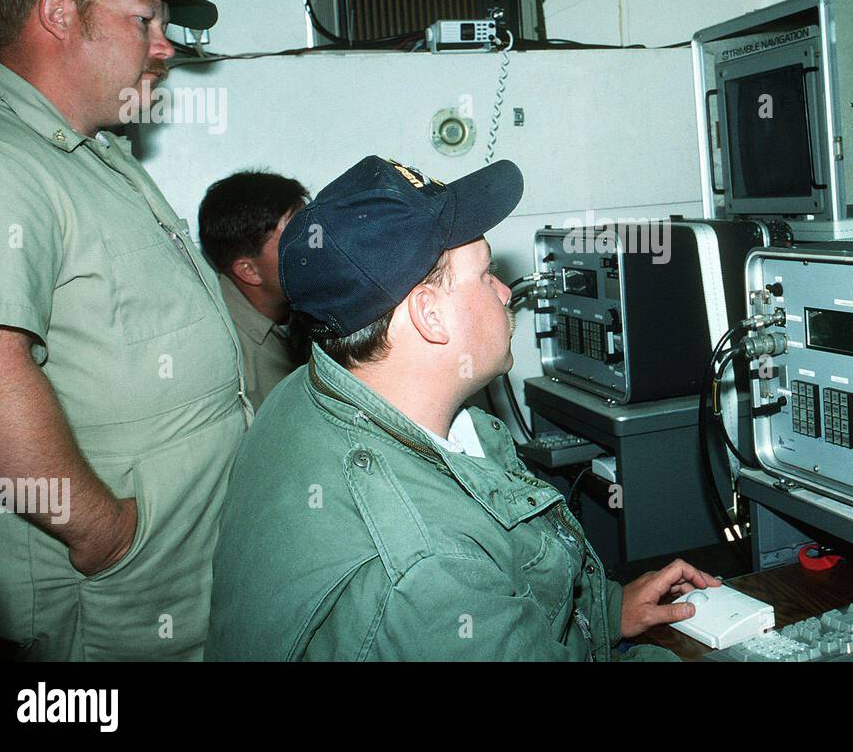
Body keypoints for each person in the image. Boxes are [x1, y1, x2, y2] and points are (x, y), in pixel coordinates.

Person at [206, 157, 717, 660]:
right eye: (487, 272)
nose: (504, 291)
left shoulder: (308, 391)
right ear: (429, 315)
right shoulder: (424, 569)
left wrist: (602, 614)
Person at [0, 0, 247, 660]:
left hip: (173, 581)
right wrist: (101, 531)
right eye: (146, 20)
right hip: (111, 600)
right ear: (59, 14)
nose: (166, 46)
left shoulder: (88, 151)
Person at [199, 171, 310, 410]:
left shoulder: (296, 313)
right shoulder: (229, 360)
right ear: (249, 271)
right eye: (295, 240)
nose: (316, 247)